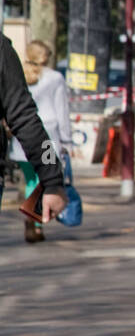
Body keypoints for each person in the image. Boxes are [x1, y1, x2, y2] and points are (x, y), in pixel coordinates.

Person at [8, 40, 72, 242]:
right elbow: (62, 111)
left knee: (30, 181)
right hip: (47, 136)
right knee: (44, 180)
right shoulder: (54, 78)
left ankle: (31, 221)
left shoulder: (20, 73)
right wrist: (67, 140)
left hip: (20, 140)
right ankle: (37, 219)